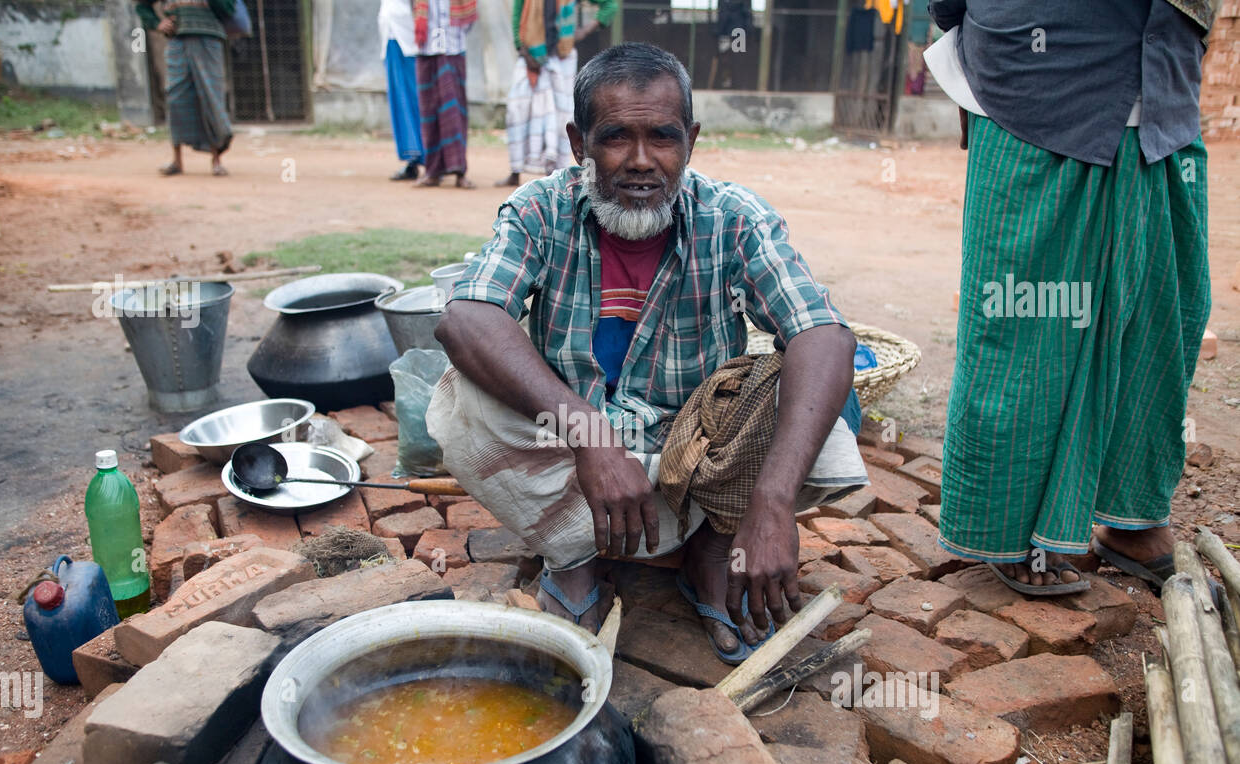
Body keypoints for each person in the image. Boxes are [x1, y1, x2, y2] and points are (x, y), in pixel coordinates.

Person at [426, 43, 867, 663]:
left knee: (817, 388)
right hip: (572, 446)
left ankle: (714, 552)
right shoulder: (539, 210)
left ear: (690, 140)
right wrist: (589, 435)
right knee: (460, 392)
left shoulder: (732, 217)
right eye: (615, 139)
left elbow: (823, 333)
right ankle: (572, 556)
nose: (640, 162)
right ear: (579, 143)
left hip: (696, 454)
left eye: (662, 138)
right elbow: (466, 317)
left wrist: (769, 504)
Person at [924, 0, 1213, 596]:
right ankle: (1003, 530)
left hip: (1165, 81)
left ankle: (1130, 517)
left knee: (1163, 314)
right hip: (1042, 75)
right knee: (1030, 316)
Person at [495, 0, 617, 188]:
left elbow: (610, 5)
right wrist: (522, 50)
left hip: (562, 58)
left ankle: (553, 173)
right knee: (517, 112)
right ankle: (515, 170)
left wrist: (584, 30)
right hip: (531, 58)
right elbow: (517, 15)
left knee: (561, 116)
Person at [136, 0, 232, 176]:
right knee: (175, 98)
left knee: (211, 97)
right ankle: (177, 161)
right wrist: (157, 23)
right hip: (177, 41)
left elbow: (229, 9)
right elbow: (142, 6)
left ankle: (216, 160)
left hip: (209, 40)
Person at [413, 0, 477, 188]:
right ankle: (432, 171)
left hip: (453, 48)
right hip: (426, 49)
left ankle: (459, 171)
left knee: (454, 112)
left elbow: (468, 21)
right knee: (428, 112)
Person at [380, 0, 424, 181]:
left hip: (410, 43)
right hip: (391, 40)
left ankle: (431, 159)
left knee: (417, 100)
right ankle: (412, 160)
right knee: (401, 102)